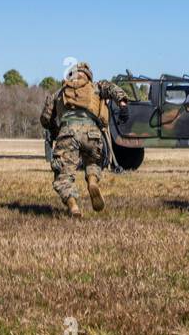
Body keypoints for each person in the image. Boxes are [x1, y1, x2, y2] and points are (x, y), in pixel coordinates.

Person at [39, 63, 129, 218]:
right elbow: (114, 89)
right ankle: (92, 182)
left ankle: (73, 207)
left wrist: (55, 131)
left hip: (67, 133)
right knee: (93, 162)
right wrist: (123, 105)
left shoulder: (60, 92)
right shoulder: (96, 87)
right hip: (92, 134)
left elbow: (45, 118)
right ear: (88, 75)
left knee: (63, 175)